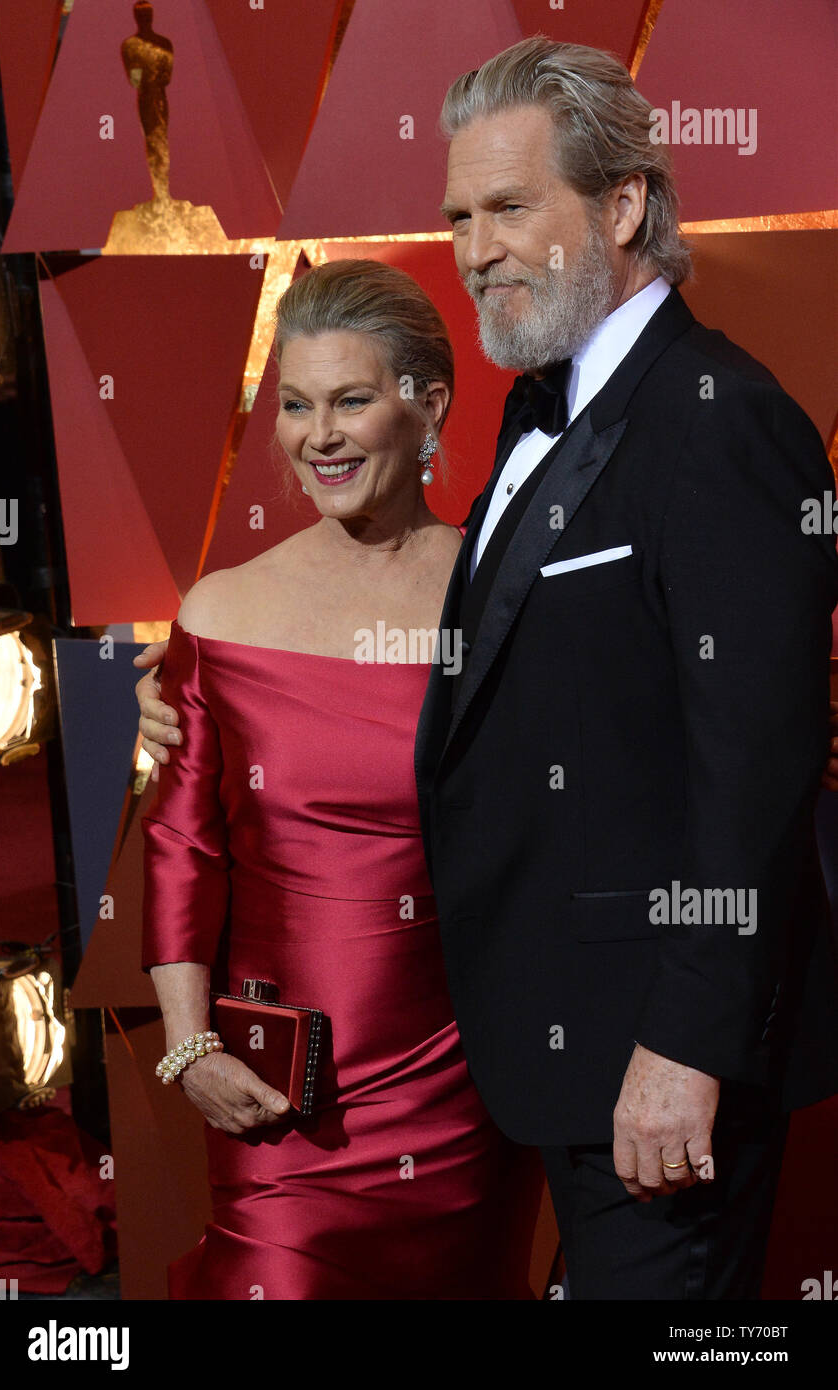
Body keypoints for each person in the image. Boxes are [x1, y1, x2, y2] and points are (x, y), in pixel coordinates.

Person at [138, 39, 838, 1301]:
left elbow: (756, 775)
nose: (472, 249)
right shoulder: (542, 412)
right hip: (536, 1060)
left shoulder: (718, 418)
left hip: (653, 1067)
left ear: (622, 205)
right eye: (458, 216)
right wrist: (213, 699)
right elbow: (510, 696)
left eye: (508, 207)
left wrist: (682, 1048)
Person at [137, 258, 543, 1301]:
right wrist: (188, 1047)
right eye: (295, 405)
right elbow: (181, 849)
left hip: (467, 1087)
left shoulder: (501, 597)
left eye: (351, 401)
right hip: (282, 1099)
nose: (318, 436)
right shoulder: (219, 613)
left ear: (428, 404)